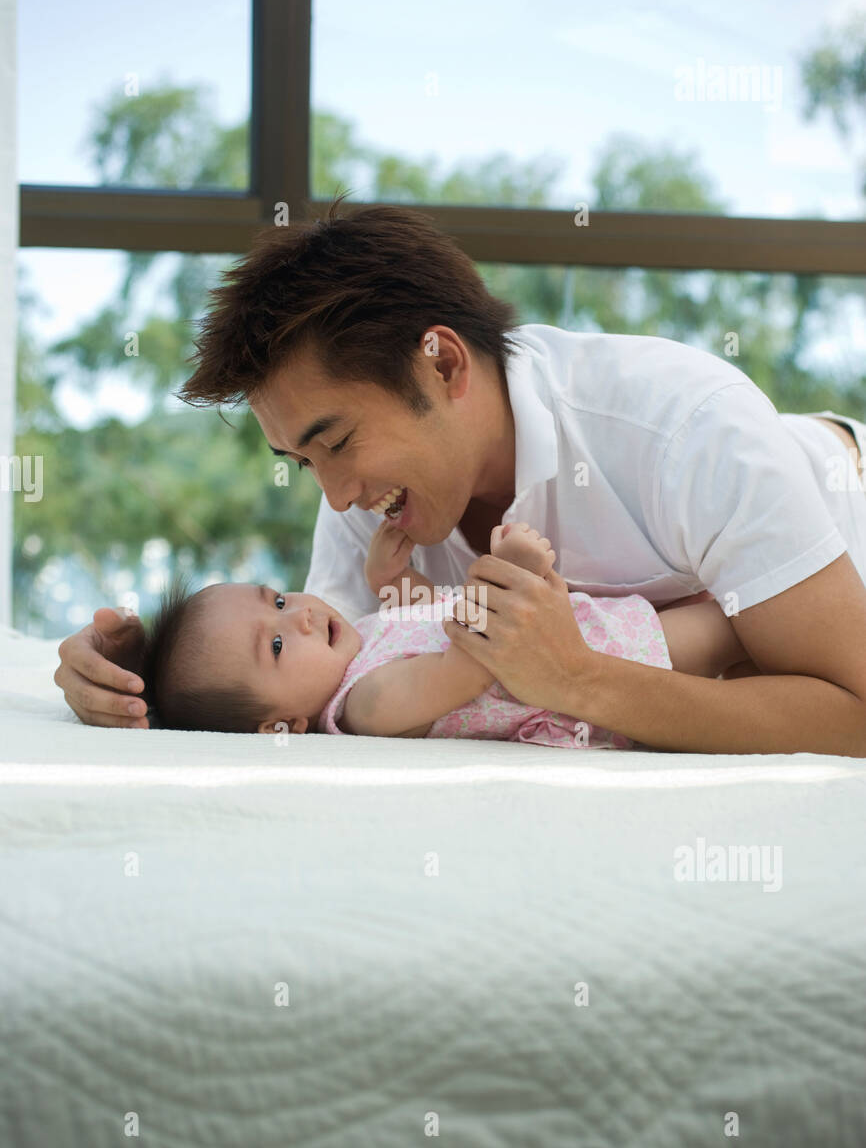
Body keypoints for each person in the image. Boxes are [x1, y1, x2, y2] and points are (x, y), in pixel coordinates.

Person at [54, 196, 866, 755]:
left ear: (441, 363)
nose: (334, 497)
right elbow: (303, 680)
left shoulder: (687, 430)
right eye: (304, 463)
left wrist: (581, 679)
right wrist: (134, 682)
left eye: (334, 443)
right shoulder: (367, 498)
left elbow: (854, 717)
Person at [140, 522, 746, 744]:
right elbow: (470, 660)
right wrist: (512, 571)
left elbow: (433, 613)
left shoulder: (364, 642)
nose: (295, 614)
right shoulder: (368, 705)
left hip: (576, 639)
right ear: (282, 727)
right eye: (274, 646)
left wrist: (393, 579)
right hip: (606, 667)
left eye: (275, 598)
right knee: (731, 628)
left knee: (723, 615)